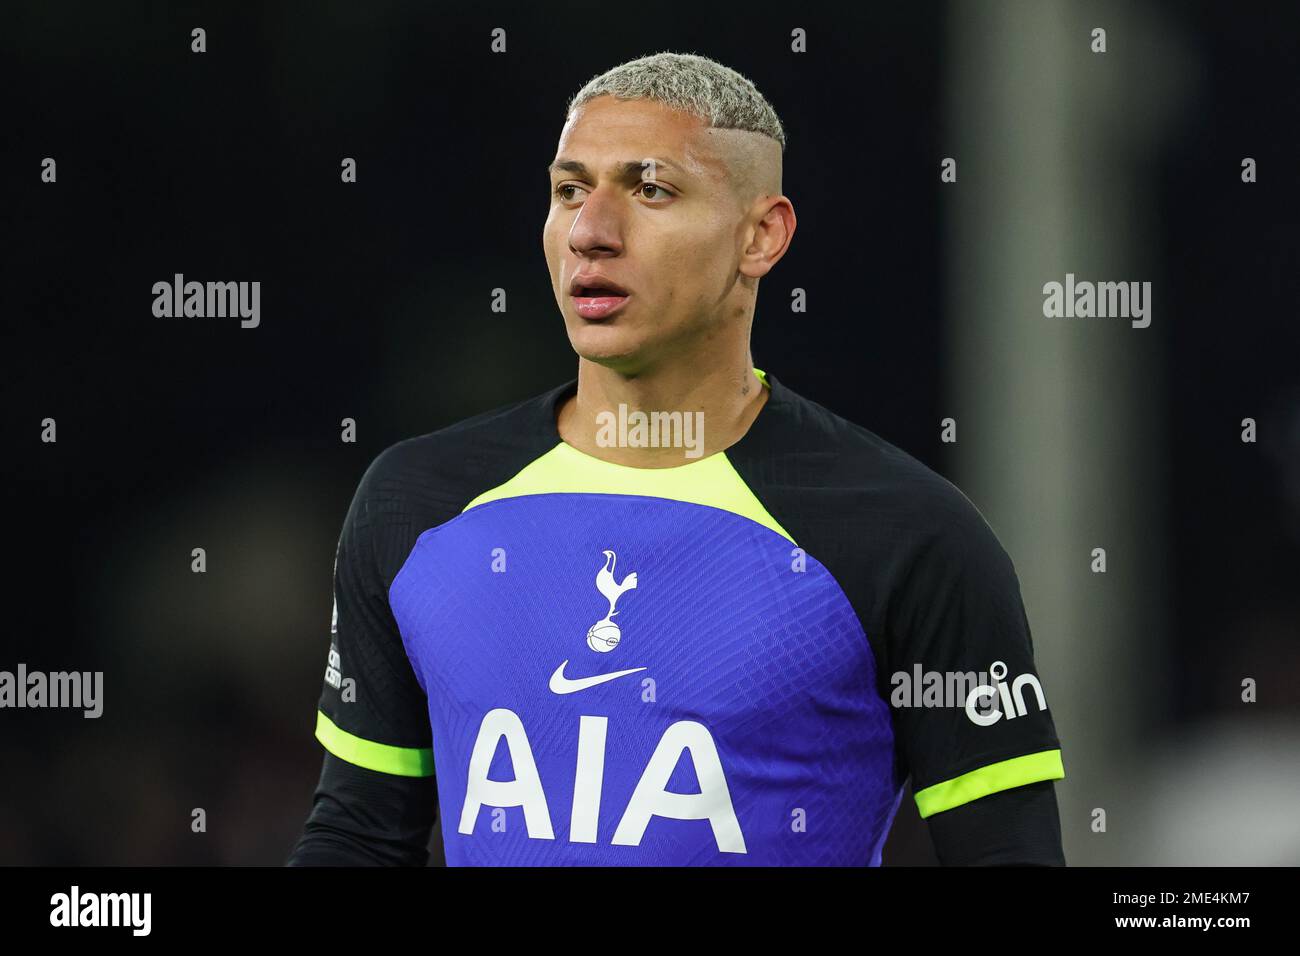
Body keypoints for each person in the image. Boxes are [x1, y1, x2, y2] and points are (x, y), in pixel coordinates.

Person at [288, 51, 1065, 866]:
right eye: (569, 190)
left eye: (650, 189)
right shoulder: (416, 504)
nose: (592, 232)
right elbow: (357, 837)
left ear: (761, 235)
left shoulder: (908, 535)